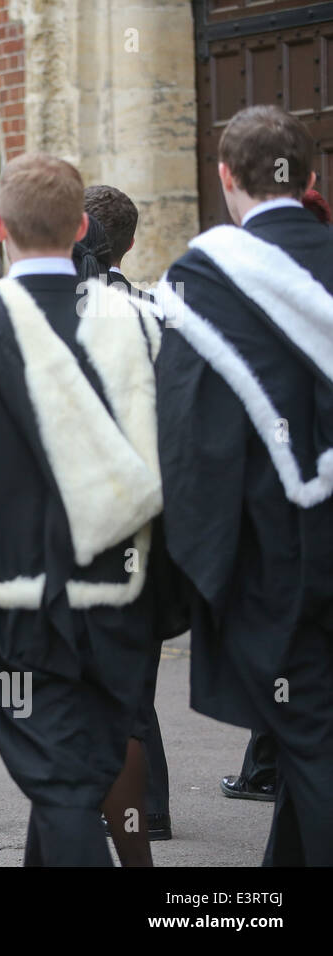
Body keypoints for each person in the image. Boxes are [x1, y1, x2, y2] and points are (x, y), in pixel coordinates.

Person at [0, 154, 171, 866]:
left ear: (0, 227)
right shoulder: (139, 325)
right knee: (73, 772)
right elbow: (173, 466)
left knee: (62, 786)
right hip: (119, 596)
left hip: (6, 603)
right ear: (81, 226)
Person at [155, 105, 333, 865]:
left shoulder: (203, 283)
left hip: (278, 559)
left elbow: (189, 437)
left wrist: (199, 567)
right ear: (313, 179)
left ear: (226, 178)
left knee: (313, 735)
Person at [84, 183, 176, 842]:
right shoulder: (157, 313)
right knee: (135, 674)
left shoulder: (68, 309)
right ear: (133, 241)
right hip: (148, 511)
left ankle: (106, 798)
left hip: (85, 514)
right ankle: (152, 806)